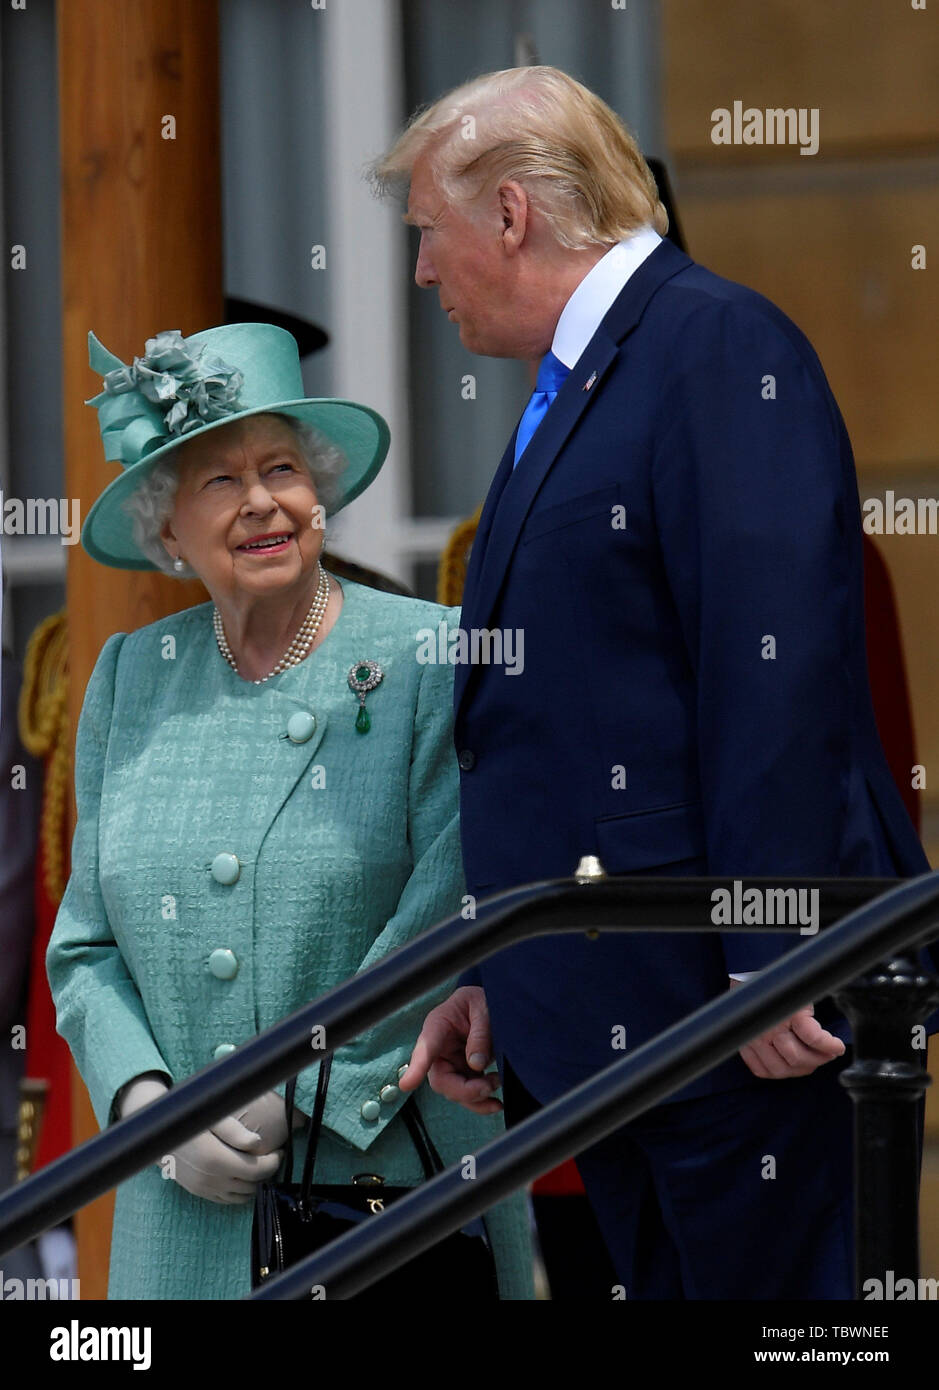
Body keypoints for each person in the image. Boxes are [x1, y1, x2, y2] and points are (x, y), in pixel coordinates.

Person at [372, 66, 936, 1299]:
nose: (421, 271)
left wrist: (769, 942)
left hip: (729, 1016)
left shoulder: (715, 342)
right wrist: (499, 973)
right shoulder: (585, 378)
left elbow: (771, 663)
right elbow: (568, 716)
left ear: (511, 214)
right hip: (617, 1011)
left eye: (427, 231)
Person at [46, 322, 533, 1299]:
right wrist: (148, 1109)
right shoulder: (129, 676)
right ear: (167, 525)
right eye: (220, 480)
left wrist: (294, 1096)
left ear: (321, 494)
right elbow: (85, 950)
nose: (261, 500)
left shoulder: (426, 652)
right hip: (179, 1219)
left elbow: (444, 917)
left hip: (386, 1199)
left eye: (281, 467)